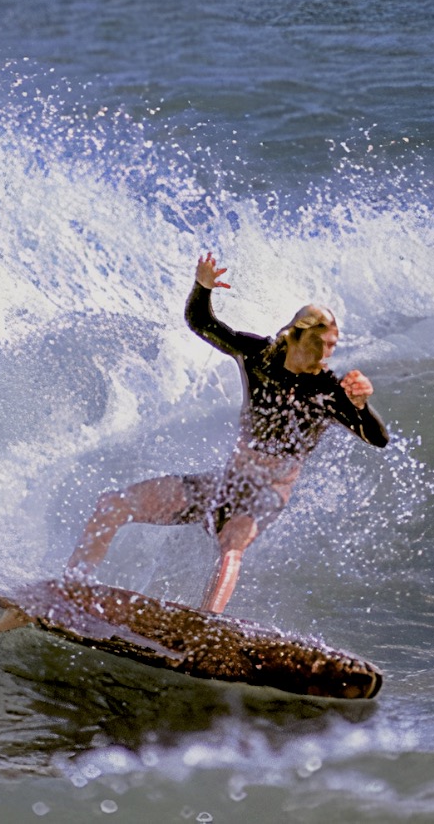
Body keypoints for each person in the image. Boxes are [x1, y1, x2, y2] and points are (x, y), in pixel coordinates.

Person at [65, 251, 389, 614]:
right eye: (323, 343)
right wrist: (202, 287)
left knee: (232, 544)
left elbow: (377, 439)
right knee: (112, 504)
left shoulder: (329, 391)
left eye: (333, 346)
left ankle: (206, 623)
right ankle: (71, 587)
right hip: (226, 484)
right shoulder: (257, 355)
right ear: (298, 335)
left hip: (267, 494)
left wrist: (361, 406)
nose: (328, 354)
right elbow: (202, 323)